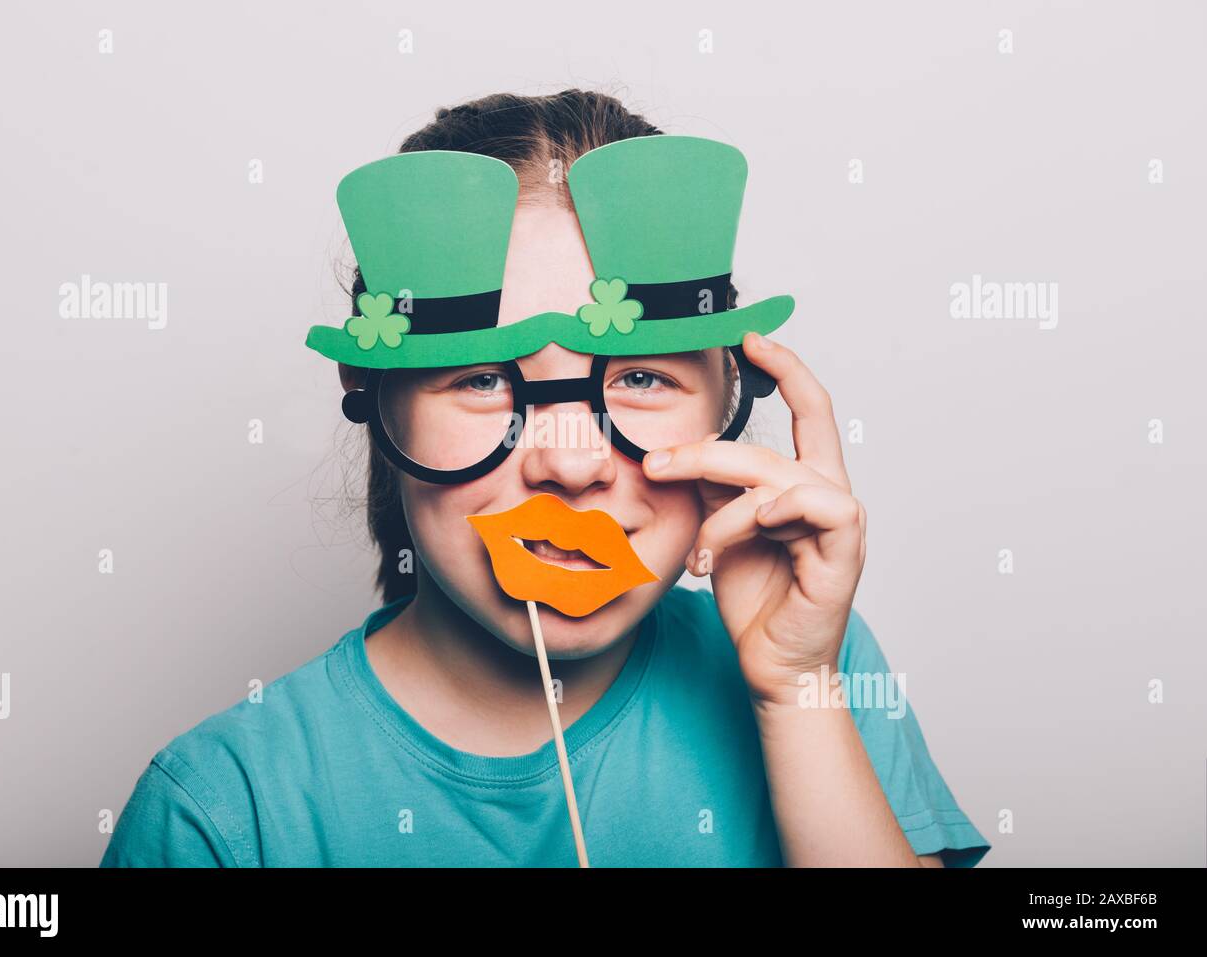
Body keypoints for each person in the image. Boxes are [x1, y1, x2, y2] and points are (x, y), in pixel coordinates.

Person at [100, 89, 991, 867]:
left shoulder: (813, 657)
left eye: (639, 376)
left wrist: (798, 693)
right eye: (484, 378)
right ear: (375, 399)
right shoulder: (225, 812)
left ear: (732, 398)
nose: (570, 461)